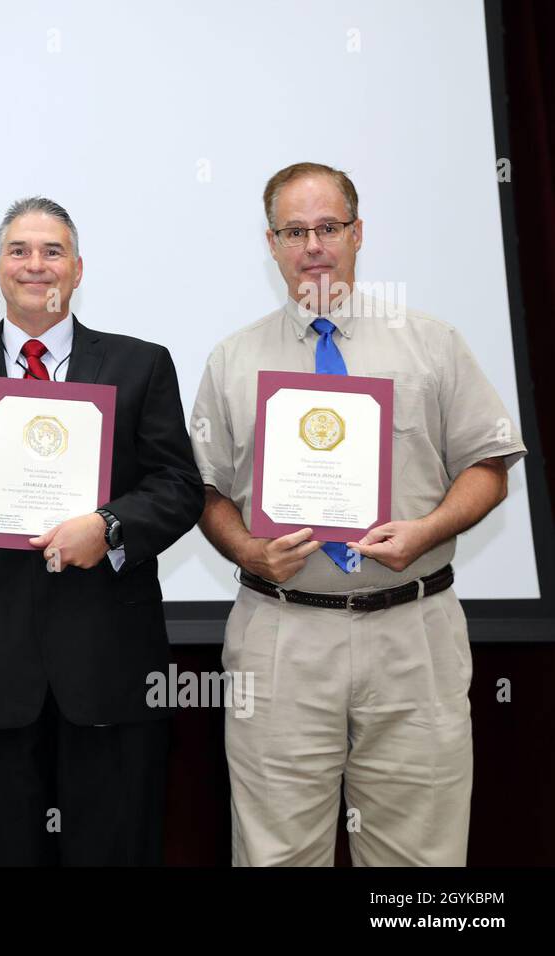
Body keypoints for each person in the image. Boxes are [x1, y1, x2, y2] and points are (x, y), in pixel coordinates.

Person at [191, 162, 526, 866]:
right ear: (272, 243)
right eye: (294, 231)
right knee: (274, 855)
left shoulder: (431, 343)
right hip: (281, 636)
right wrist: (246, 550)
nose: (313, 245)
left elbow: (489, 466)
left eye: (328, 227)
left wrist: (429, 530)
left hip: (413, 636)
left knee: (420, 862)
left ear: (358, 233)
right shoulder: (232, 359)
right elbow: (205, 490)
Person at [0, 197, 204, 865]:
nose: (36, 264)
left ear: (78, 267)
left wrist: (110, 526)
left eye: (52, 250)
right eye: (19, 251)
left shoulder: (141, 366)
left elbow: (180, 488)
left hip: (112, 665)